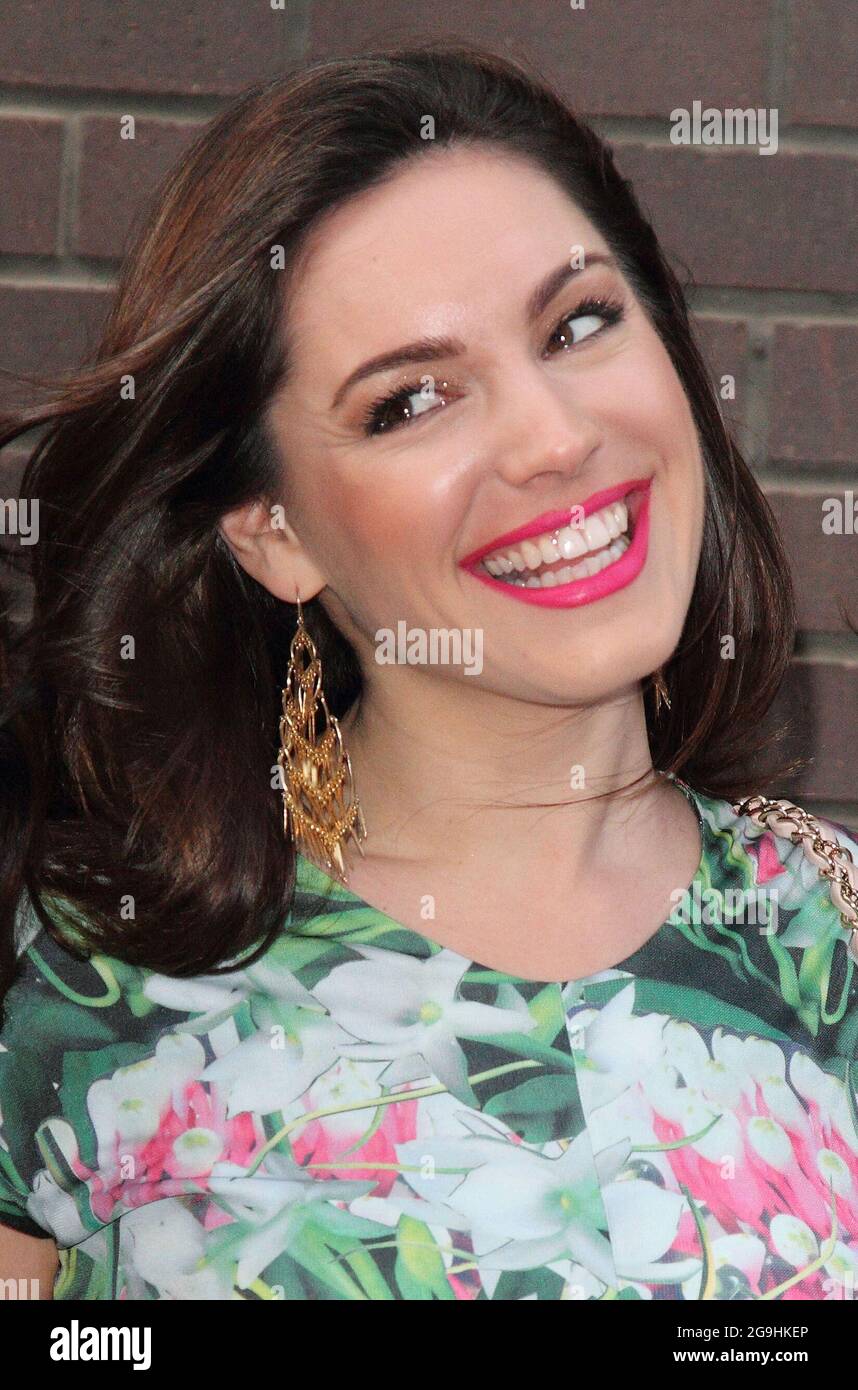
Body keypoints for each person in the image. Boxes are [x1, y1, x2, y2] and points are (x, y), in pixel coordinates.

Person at [0, 41, 856, 1303]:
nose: (556, 439)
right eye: (410, 402)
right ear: (273, 531)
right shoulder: (91, 991)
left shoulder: (827, 942)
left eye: (578, 323)